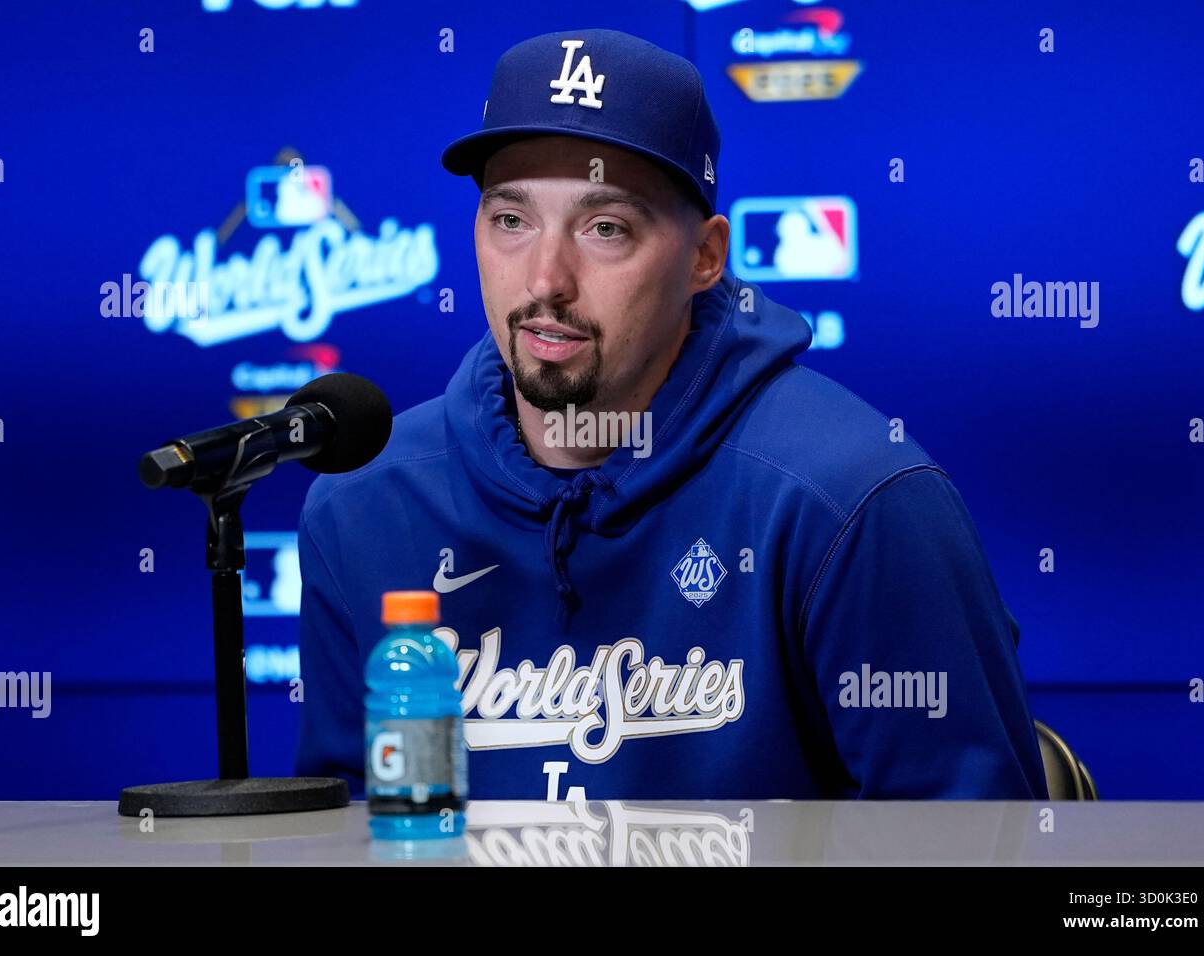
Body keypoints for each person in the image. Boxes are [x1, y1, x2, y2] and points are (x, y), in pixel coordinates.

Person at [295, 28, 1048, 801]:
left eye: (606, 228)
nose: (546, 279)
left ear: (705, 257)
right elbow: (354, 834)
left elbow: (969, 841)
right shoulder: (364, 504)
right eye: (511, 220)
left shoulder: (849, 500)